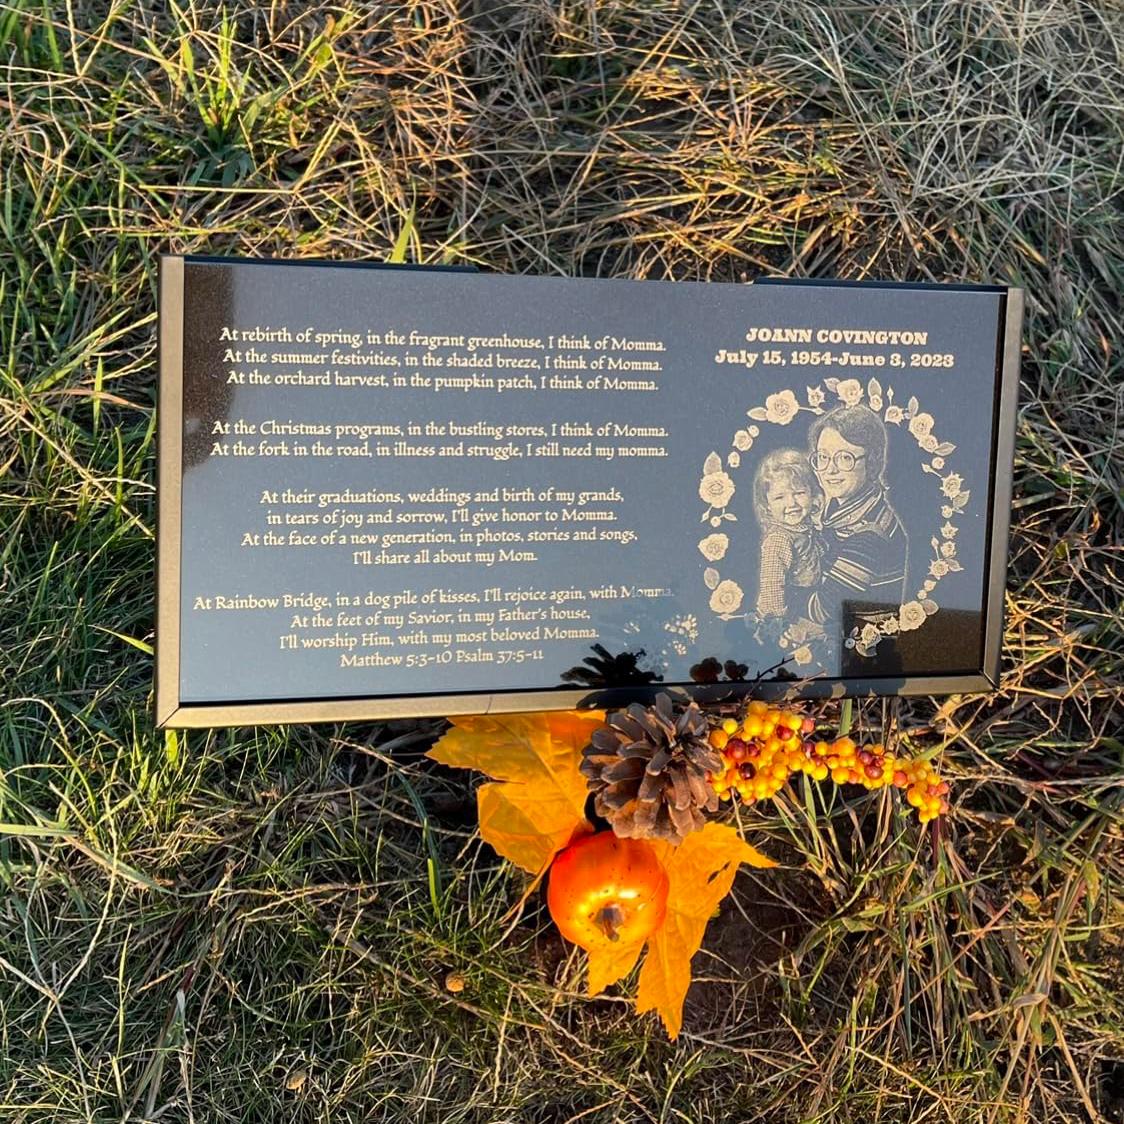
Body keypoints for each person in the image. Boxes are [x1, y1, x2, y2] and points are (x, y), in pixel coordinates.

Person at [804, 404, 907, 633]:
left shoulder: (871, 533)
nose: (830, 469)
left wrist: (777, 586)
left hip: (861, 648)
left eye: (845, 458)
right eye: (823, 457)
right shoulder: (840, 512)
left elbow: (821, 611)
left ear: (871, 462)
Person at [752, 449, 826, 626]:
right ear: (767, 505)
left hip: (812, 596)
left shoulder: (806, 525)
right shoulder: (778, 539)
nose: (791, 503)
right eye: (779, 497)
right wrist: (776, 621)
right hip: (791, 606)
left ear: (811, 494)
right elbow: (772, 583)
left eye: (799, 493)